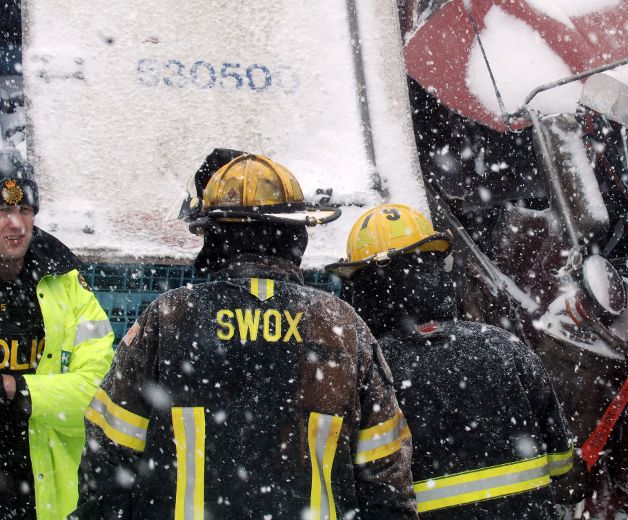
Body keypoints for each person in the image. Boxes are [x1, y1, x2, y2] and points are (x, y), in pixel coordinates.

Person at [73, 151, 418, 519]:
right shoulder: (342, 326)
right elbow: (387, 475)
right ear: (296, 235)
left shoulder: (168, 317)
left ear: (214, 236)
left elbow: (109, 454)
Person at [327, 204, 578, 519]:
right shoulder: (509, 349)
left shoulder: (366, 371)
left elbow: (344, 487)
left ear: (365, 290)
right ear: (436, 272)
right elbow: (561, 463)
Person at [0, 148, 114, 520]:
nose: (16, 224)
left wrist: (19, 391)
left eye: (25, 209)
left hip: (45, 494)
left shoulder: (67, 285)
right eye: (2, 210)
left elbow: (99, 390)